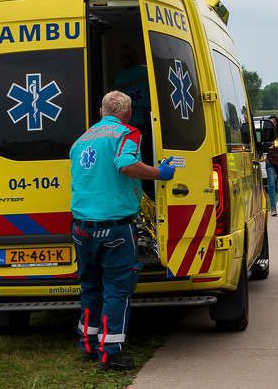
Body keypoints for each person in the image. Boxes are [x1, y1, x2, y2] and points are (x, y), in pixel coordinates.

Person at [69, 90, 177, 372]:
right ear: (127, 113)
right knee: (117, 289)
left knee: (90, 286)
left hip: (81, 227)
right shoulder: (127, 133)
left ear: (101, 111)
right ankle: (110, 353)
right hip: (115, 226)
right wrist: (159, 173)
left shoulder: (81, 141)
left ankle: (89, 344)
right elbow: (126, 165)